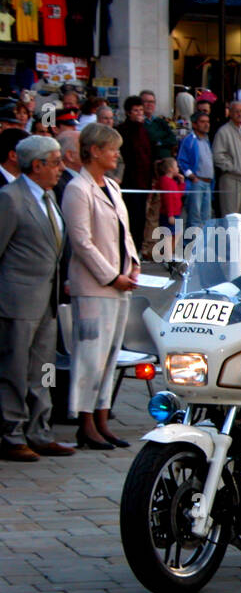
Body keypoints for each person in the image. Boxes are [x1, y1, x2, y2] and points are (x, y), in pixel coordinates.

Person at [61, 122, 141, 451]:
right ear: (94, 151)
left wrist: (133, 264)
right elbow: (81, 241)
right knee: (89, 357)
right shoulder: (77, 189)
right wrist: (111, 275)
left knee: (110, 355)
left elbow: (125, 232)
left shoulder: (111, 185)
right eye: (112, 149)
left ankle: (103, 417)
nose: (116, 154)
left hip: (119, 284)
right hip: (94, 286)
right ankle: (85, 421)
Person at [0, 136, 77, 461]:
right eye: (55, 162)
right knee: (15, 370)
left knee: (43, 369)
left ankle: (40, 430)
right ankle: (11, 433)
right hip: (17, 302)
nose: (61, 168)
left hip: (46, 300)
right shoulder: (10, 199)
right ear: (37, 165)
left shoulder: (49, 197)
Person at [117, 95, 153, 245]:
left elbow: (149, 157)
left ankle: (137, 249)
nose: (139, 113)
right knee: (128, 218)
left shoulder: (145, 131)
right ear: (128, 112)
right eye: (136, 111)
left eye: (141, 110)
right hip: (127, 183)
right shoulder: (121, 131)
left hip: (143, 183)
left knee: (140, 219)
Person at [212, 100, 241, 216]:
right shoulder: (223, 131)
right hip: (230, 179)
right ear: (230, 113)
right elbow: (218, 155)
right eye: (236, 111)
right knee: (231, 216)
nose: (239, 114)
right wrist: (232, 167)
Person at [177, 110, 214, 227]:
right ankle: (191, 244)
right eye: (202, 122)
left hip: (208, 183)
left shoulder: (207, 140)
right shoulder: (189, 140)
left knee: (206, 217)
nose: (206, 124)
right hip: (197, 182)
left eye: (208, 122)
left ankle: (202, 244)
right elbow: (181, 160)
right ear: (194, 124)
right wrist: (192, 176)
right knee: (195, 217)